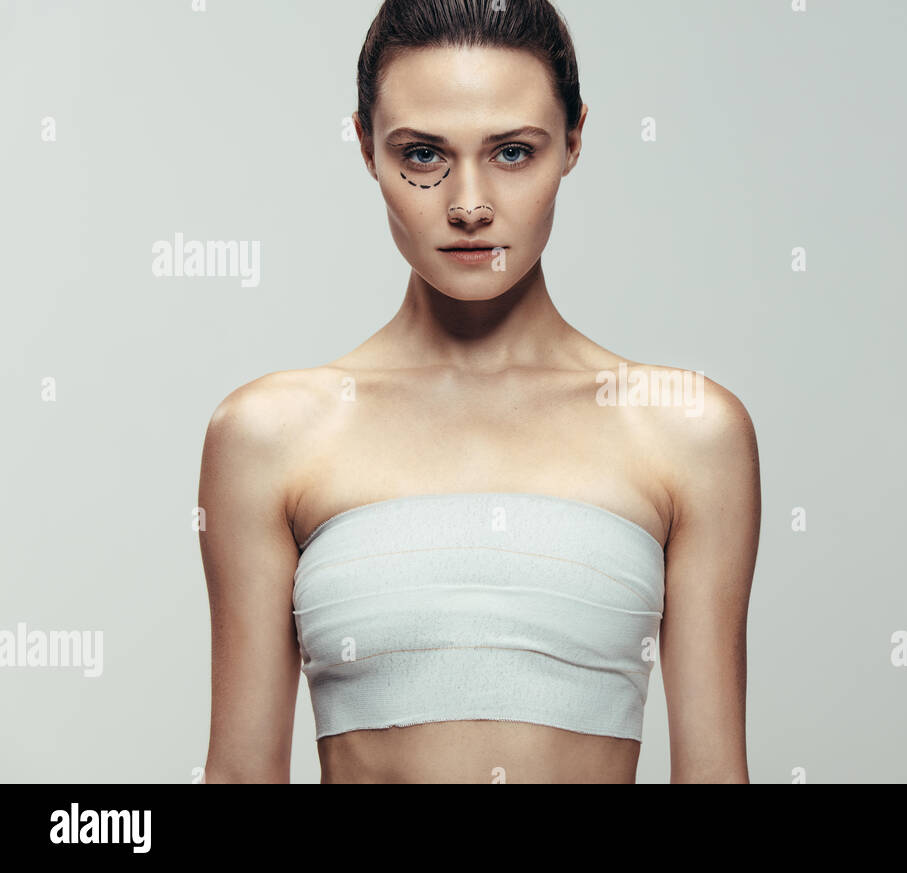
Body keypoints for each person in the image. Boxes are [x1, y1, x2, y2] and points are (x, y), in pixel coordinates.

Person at [198, 0, 760, 784]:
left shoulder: (687, 431)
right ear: (365, 146)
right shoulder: (269, 434)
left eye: (513, 152)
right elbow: (238, 779)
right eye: (423, 153)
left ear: (574, 141)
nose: (468, 204)